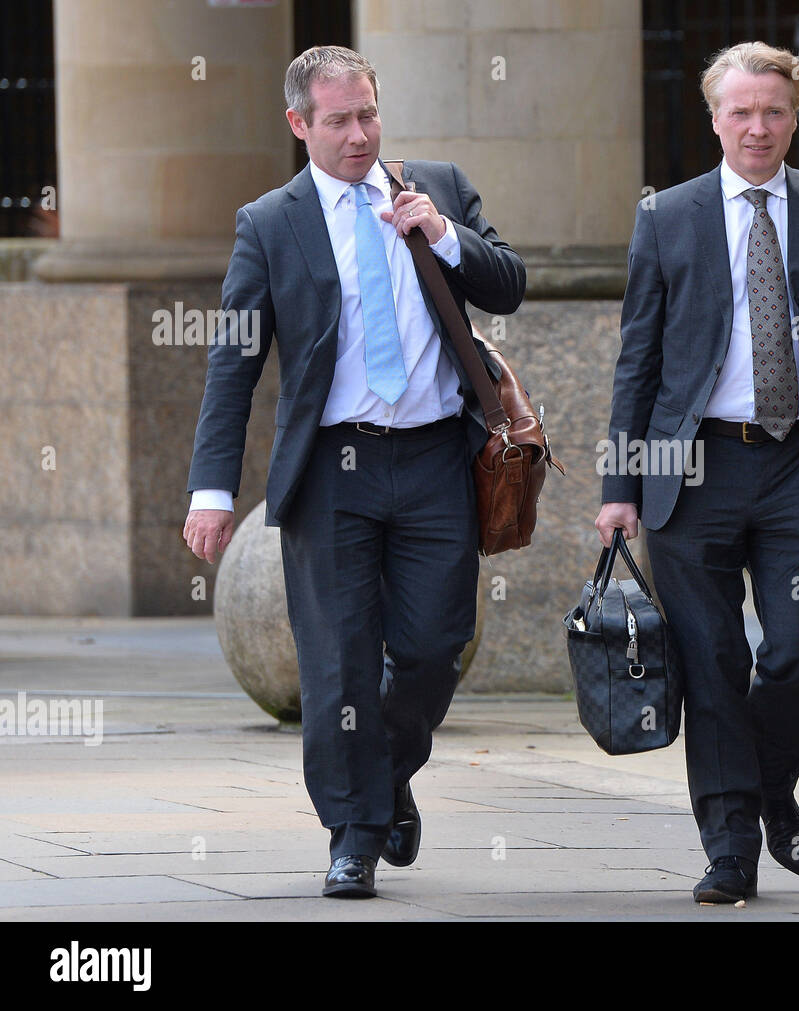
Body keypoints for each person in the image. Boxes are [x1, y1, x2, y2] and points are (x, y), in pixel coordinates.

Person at [182, 46, 525, 898]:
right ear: (300, 124)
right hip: (331, 472)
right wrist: (212, 491)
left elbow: (512, 283)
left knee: (431, 649)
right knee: (335, 664)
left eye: (367, 114)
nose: (358, 134)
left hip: (436, 459)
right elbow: (233, 365)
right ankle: (353, 832)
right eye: (337, 120)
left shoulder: (436, 184)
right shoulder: (270, 223)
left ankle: (387, 771)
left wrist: (443, 236)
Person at [595, 41, 799, 903]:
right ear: (714, 118)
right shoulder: (668, 216)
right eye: (740, 110)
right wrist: (619, 486)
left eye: (773, 110)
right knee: (710, 660)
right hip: (689, 469)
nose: (757, 126)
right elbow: (638, 360)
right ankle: (732, 845)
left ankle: (774, 785)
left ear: (794, 115)